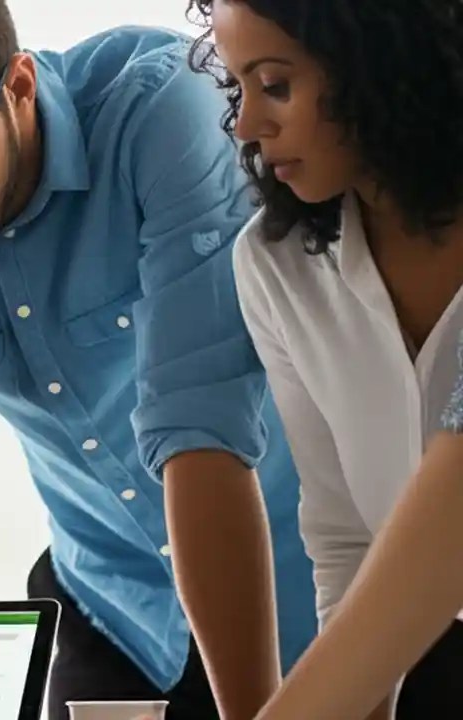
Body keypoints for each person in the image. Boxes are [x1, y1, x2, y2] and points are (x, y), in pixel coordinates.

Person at [0, 2, 318, 719]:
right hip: (113, 611)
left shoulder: (165, 112)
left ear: (18, 87)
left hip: (300, 588)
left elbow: (202, 427)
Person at [188, 0, 463, 717]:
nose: (246, 124)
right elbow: (346, 540)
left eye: (275, 85)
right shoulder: (274, 266)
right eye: (238, 87)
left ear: (382, 63)